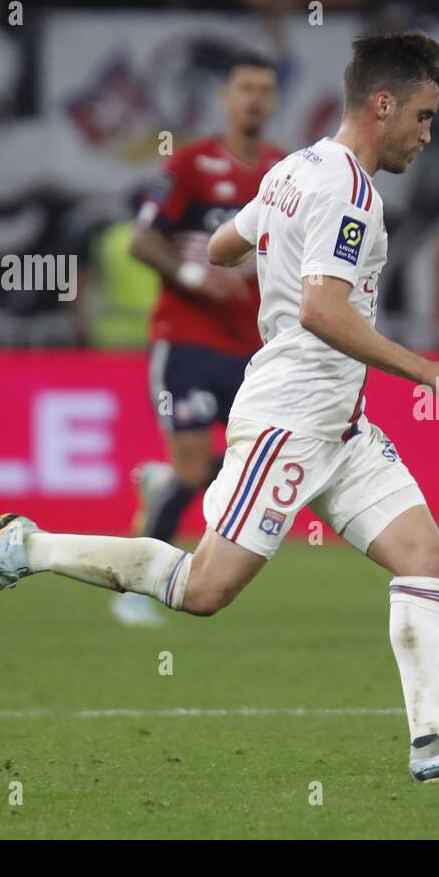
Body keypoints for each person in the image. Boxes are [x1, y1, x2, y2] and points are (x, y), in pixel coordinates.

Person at [0, 32, 439, 784]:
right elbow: (324, 312)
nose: (428, 135)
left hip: (341, 424)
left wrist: (261, 258)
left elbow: (226, 245)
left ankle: (433, 744)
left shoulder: (293, 170)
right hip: (291, 417)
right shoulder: (349, 193)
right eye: (423, 117)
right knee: (203, 591)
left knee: (426, 559)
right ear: (382, 106)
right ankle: (25, 547)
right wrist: (424, 371)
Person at [113, 50, 286, 627]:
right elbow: (142, 241)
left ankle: (164, 487)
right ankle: (136, 591)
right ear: (225, 97)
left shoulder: (287, 173)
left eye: (265, 89)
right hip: (184, 339)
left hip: (253, 349)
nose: (255, 98)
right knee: (194, 471)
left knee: (262, 460)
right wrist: (195, 277)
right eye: (244, 87)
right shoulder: (189, 164)